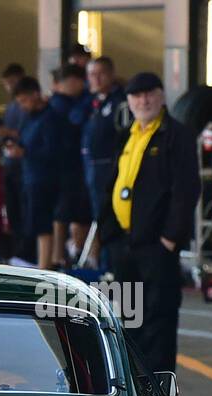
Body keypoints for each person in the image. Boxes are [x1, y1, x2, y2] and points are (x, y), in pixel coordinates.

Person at [97, 72, 200, 372]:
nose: (143, 100)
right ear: (128, 101)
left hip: (156, 246)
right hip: (123, 244)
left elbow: (186, 189)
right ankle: (133, 382)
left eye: (149, 94)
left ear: (161, 96)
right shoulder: (126, 134)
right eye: (136, 95)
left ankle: (158, 385)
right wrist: (108, 232)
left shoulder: (176, 134)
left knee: (159, 316)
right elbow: (112, 184)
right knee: (129, 317)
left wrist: (170, 238)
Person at [5, 76, 63, 269]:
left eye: (23, 100)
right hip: (29, 176)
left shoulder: (50, 118)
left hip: (45, 178)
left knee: (43, 224)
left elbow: (53, 150)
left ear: (35, 94)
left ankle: (45, 266)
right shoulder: (29, 118)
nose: (22, 106)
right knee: (34, 223)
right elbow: (24, 140)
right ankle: (42, 264)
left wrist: (25, 152)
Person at [82, 56, 129, 265]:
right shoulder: (94, 102)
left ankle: (111, 267)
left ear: (111, 75)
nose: (96, 79)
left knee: (110, 221)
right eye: (91, 74)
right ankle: (102, 264)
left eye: (101, 74)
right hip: (93, 170)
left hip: (110, 170)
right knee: (97, 219)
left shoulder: (120, 102)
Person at [49, 64, 93, 263]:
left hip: (70, 165)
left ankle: (71, 253)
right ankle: (64, 254)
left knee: (72, 214)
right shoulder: (61, 104)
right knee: (67, 213)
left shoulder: (71, 102)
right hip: (69, 165)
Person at [0, 63, 29, 260]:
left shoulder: (25, 105)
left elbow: (29, 133)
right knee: (13, 209)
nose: (10, 87)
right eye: (7, 84)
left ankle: (25, 250)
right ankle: (15, 249)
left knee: (25, 209)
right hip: (11, 164)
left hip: (24, 165)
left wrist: (9, 133)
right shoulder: (11, 107)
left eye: (13, 82)